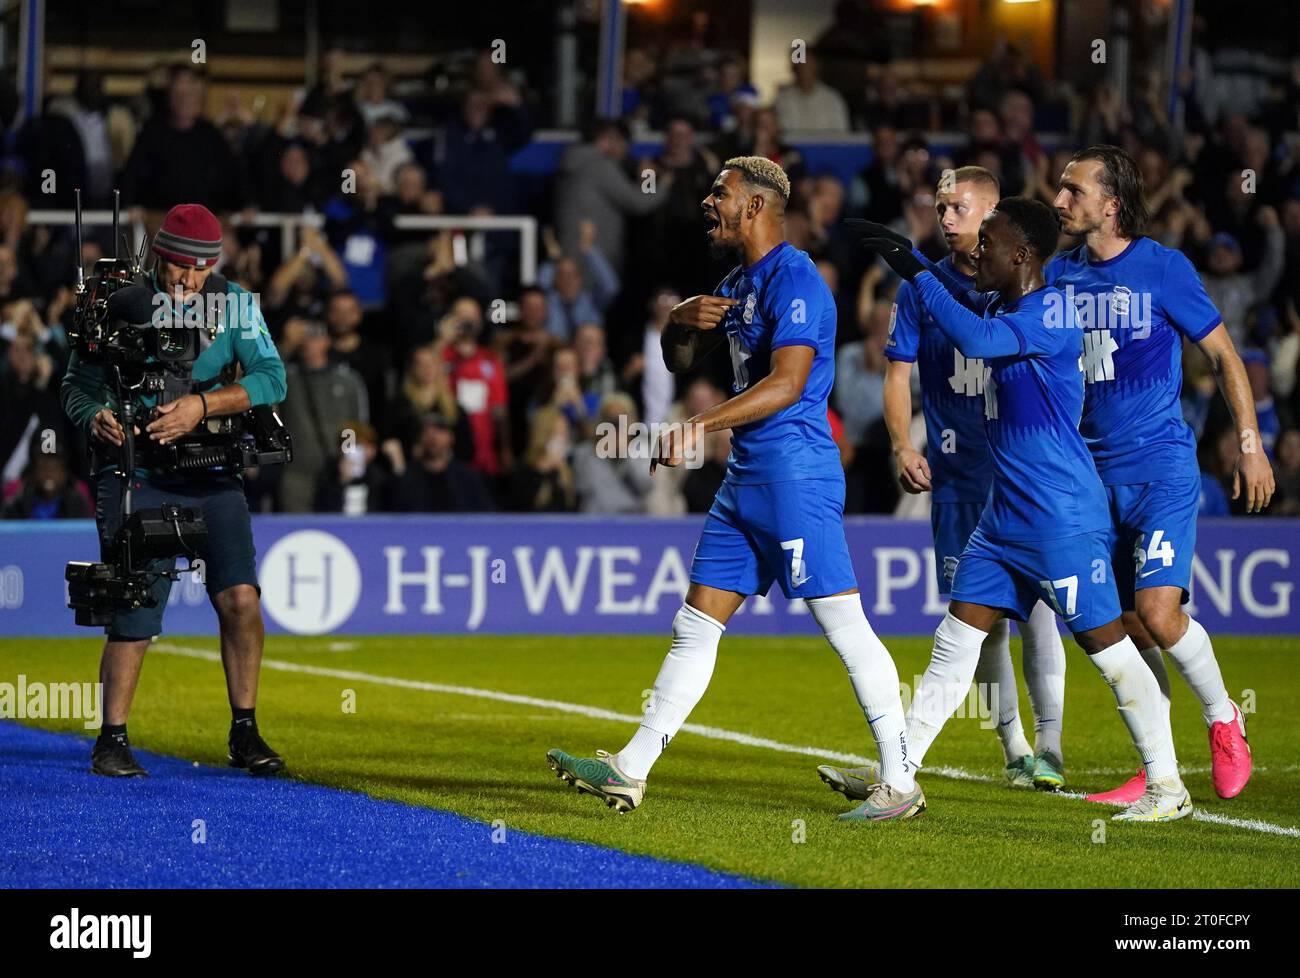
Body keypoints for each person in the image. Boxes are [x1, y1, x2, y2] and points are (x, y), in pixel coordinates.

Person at [547, 157, 920, 822]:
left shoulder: (797, 279)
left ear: (754, 206)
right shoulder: (737, 282)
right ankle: (630, 770)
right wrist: (679, 322)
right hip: (747, 478)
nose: (707, 204)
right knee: (694, 624)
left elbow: (789, 383)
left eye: (720, 193)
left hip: (794, 477)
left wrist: (699, 424)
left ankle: (899, 781)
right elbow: (679, 360)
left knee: (842, 623)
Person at [854, 198, 1191, 822]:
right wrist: (920, 270)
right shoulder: (1004, 304)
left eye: (989, 242)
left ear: (1023, 255)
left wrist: (916, 270)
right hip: (1004, 518)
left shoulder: (1051, 313)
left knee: (1111, 651)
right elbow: (969, 318)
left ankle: (1167, 785)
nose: (977, 252)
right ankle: (899, 780)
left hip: (1061, 518)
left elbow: (976, 341)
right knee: (953, 647)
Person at [823, 167, 1069, 802]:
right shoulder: (919, 289)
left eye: (958, 207)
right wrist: (904, 442)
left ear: (993, 214)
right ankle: (1012, 746)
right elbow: (897, 375)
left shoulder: (1025, 288)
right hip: (958, 479)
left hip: (1024, 476)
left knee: (1045, 612)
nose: (946, 217)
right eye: (940, 207)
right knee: (980, 621)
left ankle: (1052, 747)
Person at [1047, 145, 1274, 803]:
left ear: (1111, 205)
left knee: (1159, 611)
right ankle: (1157, 768)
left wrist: (1250, 446)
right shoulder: (1059, 278)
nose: (1060, 201)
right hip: (1091, 481)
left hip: (1160, 470)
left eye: (1072, 190)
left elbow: (1226, 358)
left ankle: (1225, 718)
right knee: (1123, 627)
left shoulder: (1162, 269)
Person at [60, 203, 288, 778]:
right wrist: (94, 417)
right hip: (136, 473)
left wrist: (202, 405)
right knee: (134, 607)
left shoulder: (234, 304)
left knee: (241, 600)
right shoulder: (115, 303)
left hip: (212, 474)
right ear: (158, 257)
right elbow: (75, 386)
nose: (188, 281)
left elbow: (272, 378)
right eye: (178, 269)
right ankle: (111, 739)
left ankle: (244, 730)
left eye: (200, 270)